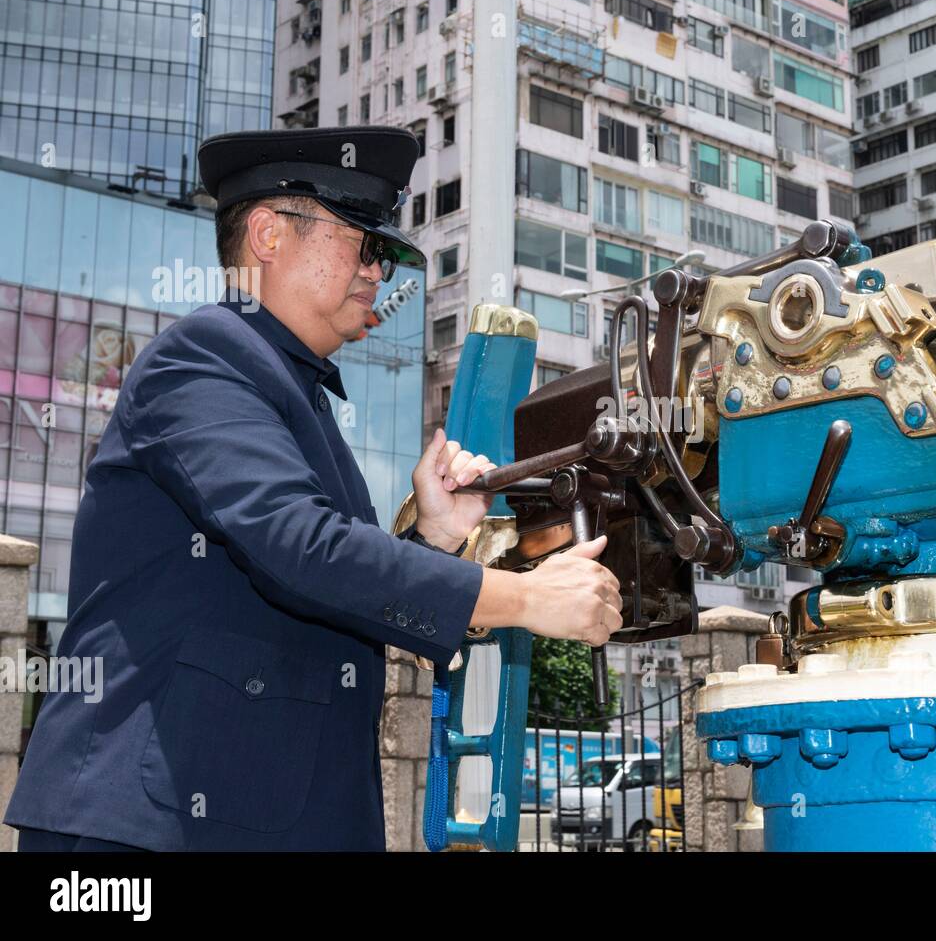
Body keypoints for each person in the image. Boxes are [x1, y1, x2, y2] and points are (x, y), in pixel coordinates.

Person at [4, 126, 623, 851]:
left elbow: (316, 594)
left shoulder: (294, 395)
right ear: (268, 234)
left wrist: (435, 536)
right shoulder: (207, 356)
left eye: (386, 255)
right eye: (364, 241)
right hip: (147, 828)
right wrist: (527, 598)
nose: (379, 273)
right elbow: (301, 550)